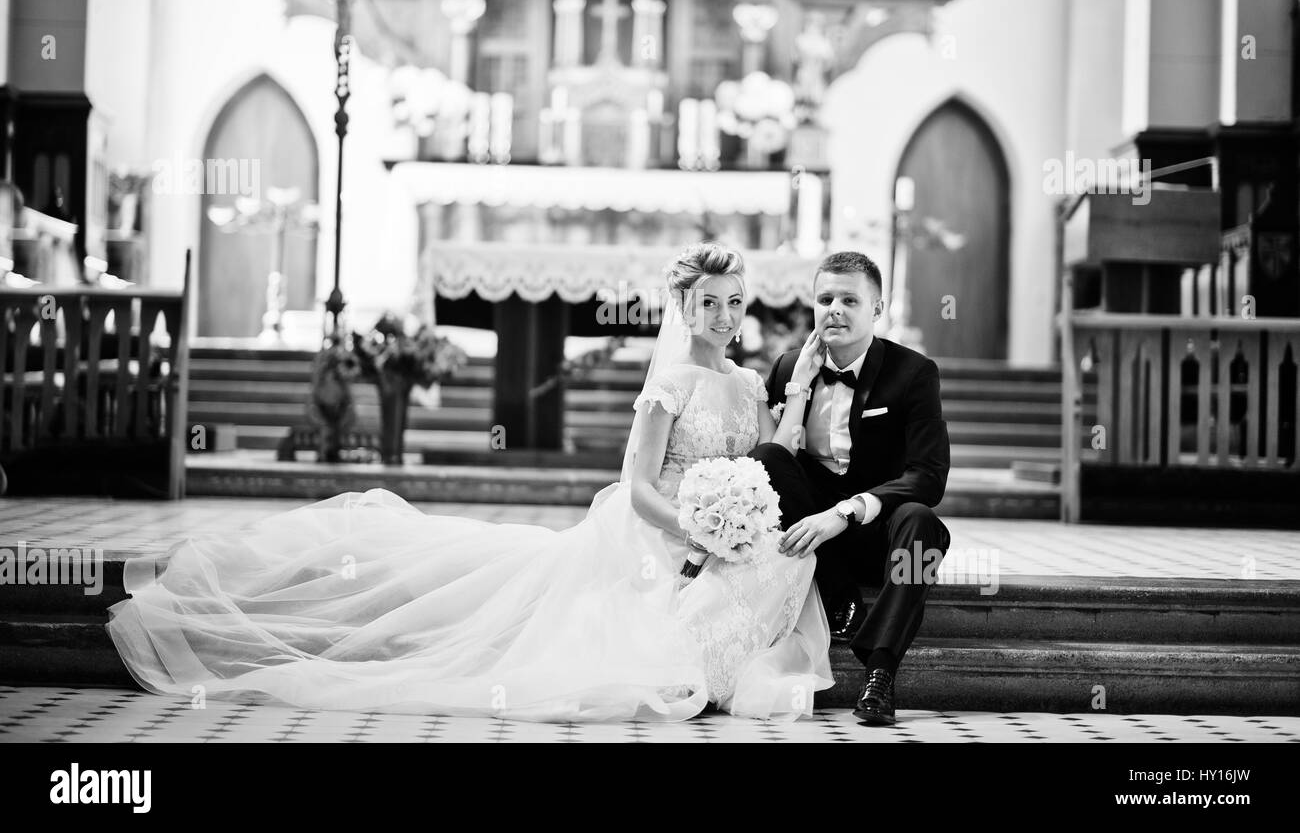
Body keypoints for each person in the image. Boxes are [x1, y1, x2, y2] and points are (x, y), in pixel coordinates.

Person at [106, 243, 831, 722]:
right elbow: (638, 485)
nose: (726, 316)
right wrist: (693, 529)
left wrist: (793, 394)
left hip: (716, 534)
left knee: (786, 554)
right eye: (711, 301)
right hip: (656, 533)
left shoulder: (744, 384)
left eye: (736, 301)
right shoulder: (668, 384)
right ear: (686, 307)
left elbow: (767, 460)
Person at [751, 251, 951, 726]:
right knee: (768, 458)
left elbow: (929, 475)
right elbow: (777, 464)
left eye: (849, 299)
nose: (834, 309)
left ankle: (880, 673)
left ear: (876, 310)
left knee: (923, 524)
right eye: (825, 299)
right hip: (811, 535)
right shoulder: (786, 369)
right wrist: (798, 383)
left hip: (874, 527)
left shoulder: (914, 373)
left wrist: (846, 511)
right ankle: (841, 597)